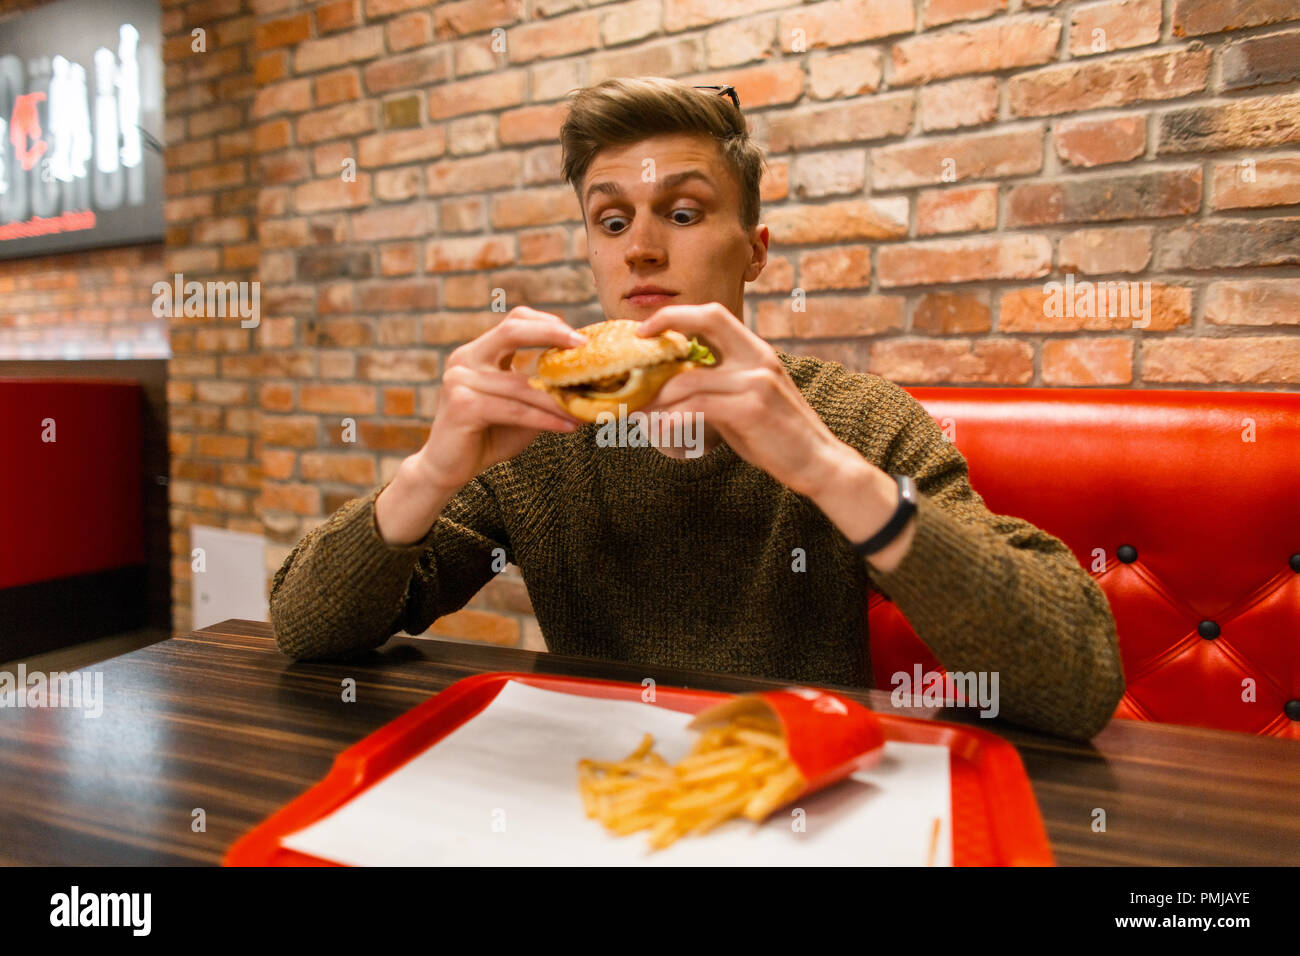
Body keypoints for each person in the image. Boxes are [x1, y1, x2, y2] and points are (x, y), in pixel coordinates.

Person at [269, 77, 1125, 741]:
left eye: (682, 212)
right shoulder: (542, 439)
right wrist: (429, 472)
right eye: (610, 222)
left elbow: (1075, 678)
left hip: (799, 800)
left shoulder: (856, 420)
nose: (641, 246)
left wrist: (827, 471)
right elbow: (305, 629)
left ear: (753, 254)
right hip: (588, 800)